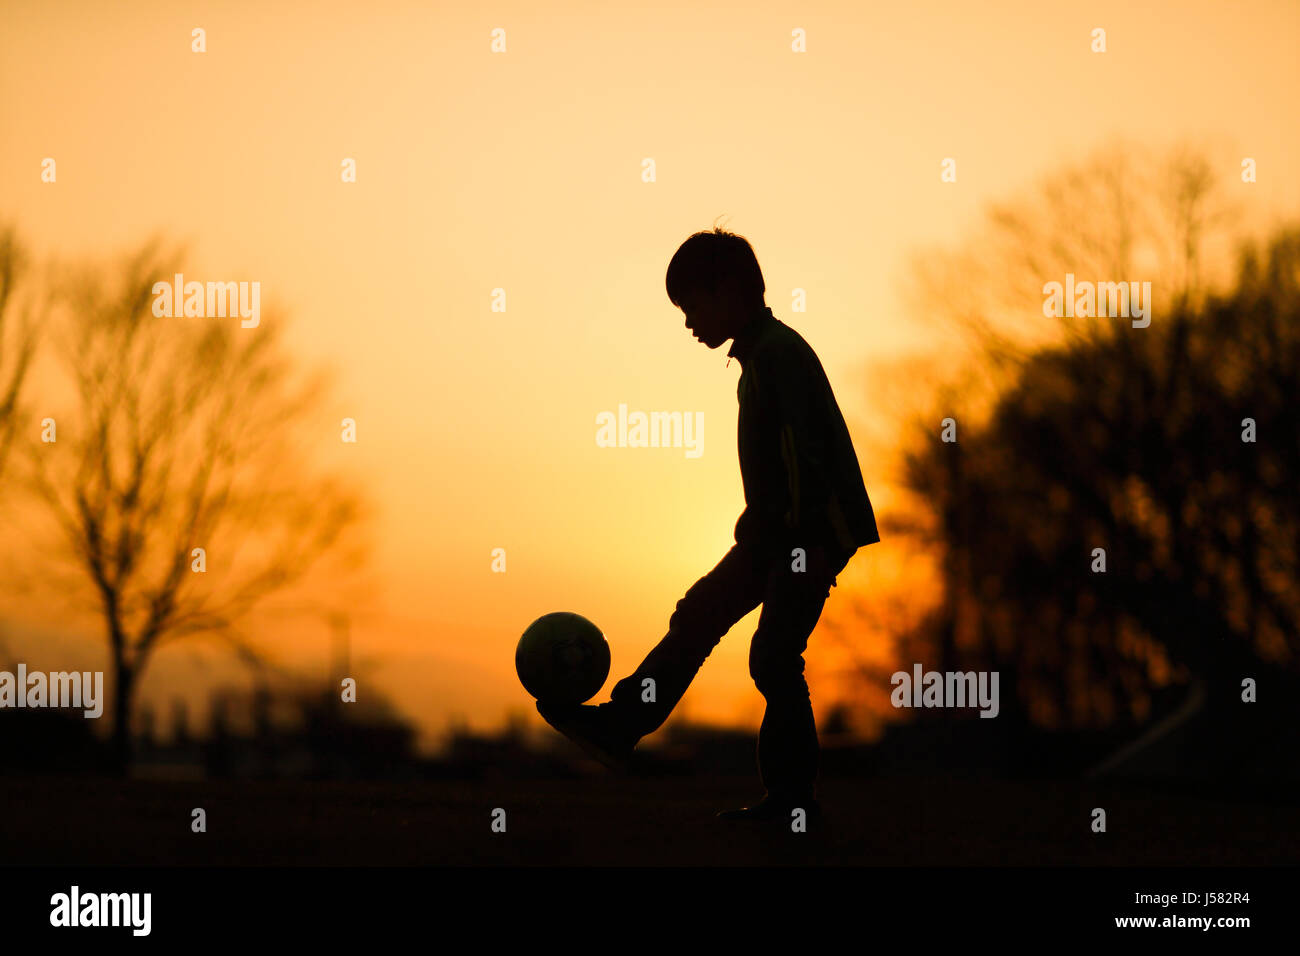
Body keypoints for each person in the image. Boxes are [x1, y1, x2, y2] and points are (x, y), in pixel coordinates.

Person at [539, 226, 880, 823]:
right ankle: (620, 727)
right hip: (778, 533)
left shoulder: (778, 355)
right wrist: (762, 526)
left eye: (691, 304)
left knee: (774, 658)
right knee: (698, 614)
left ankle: (793, 805)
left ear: (727, 292)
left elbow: (806, 458)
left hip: (808, 537)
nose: (688, 321)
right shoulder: (759, 356)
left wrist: (793, 538)